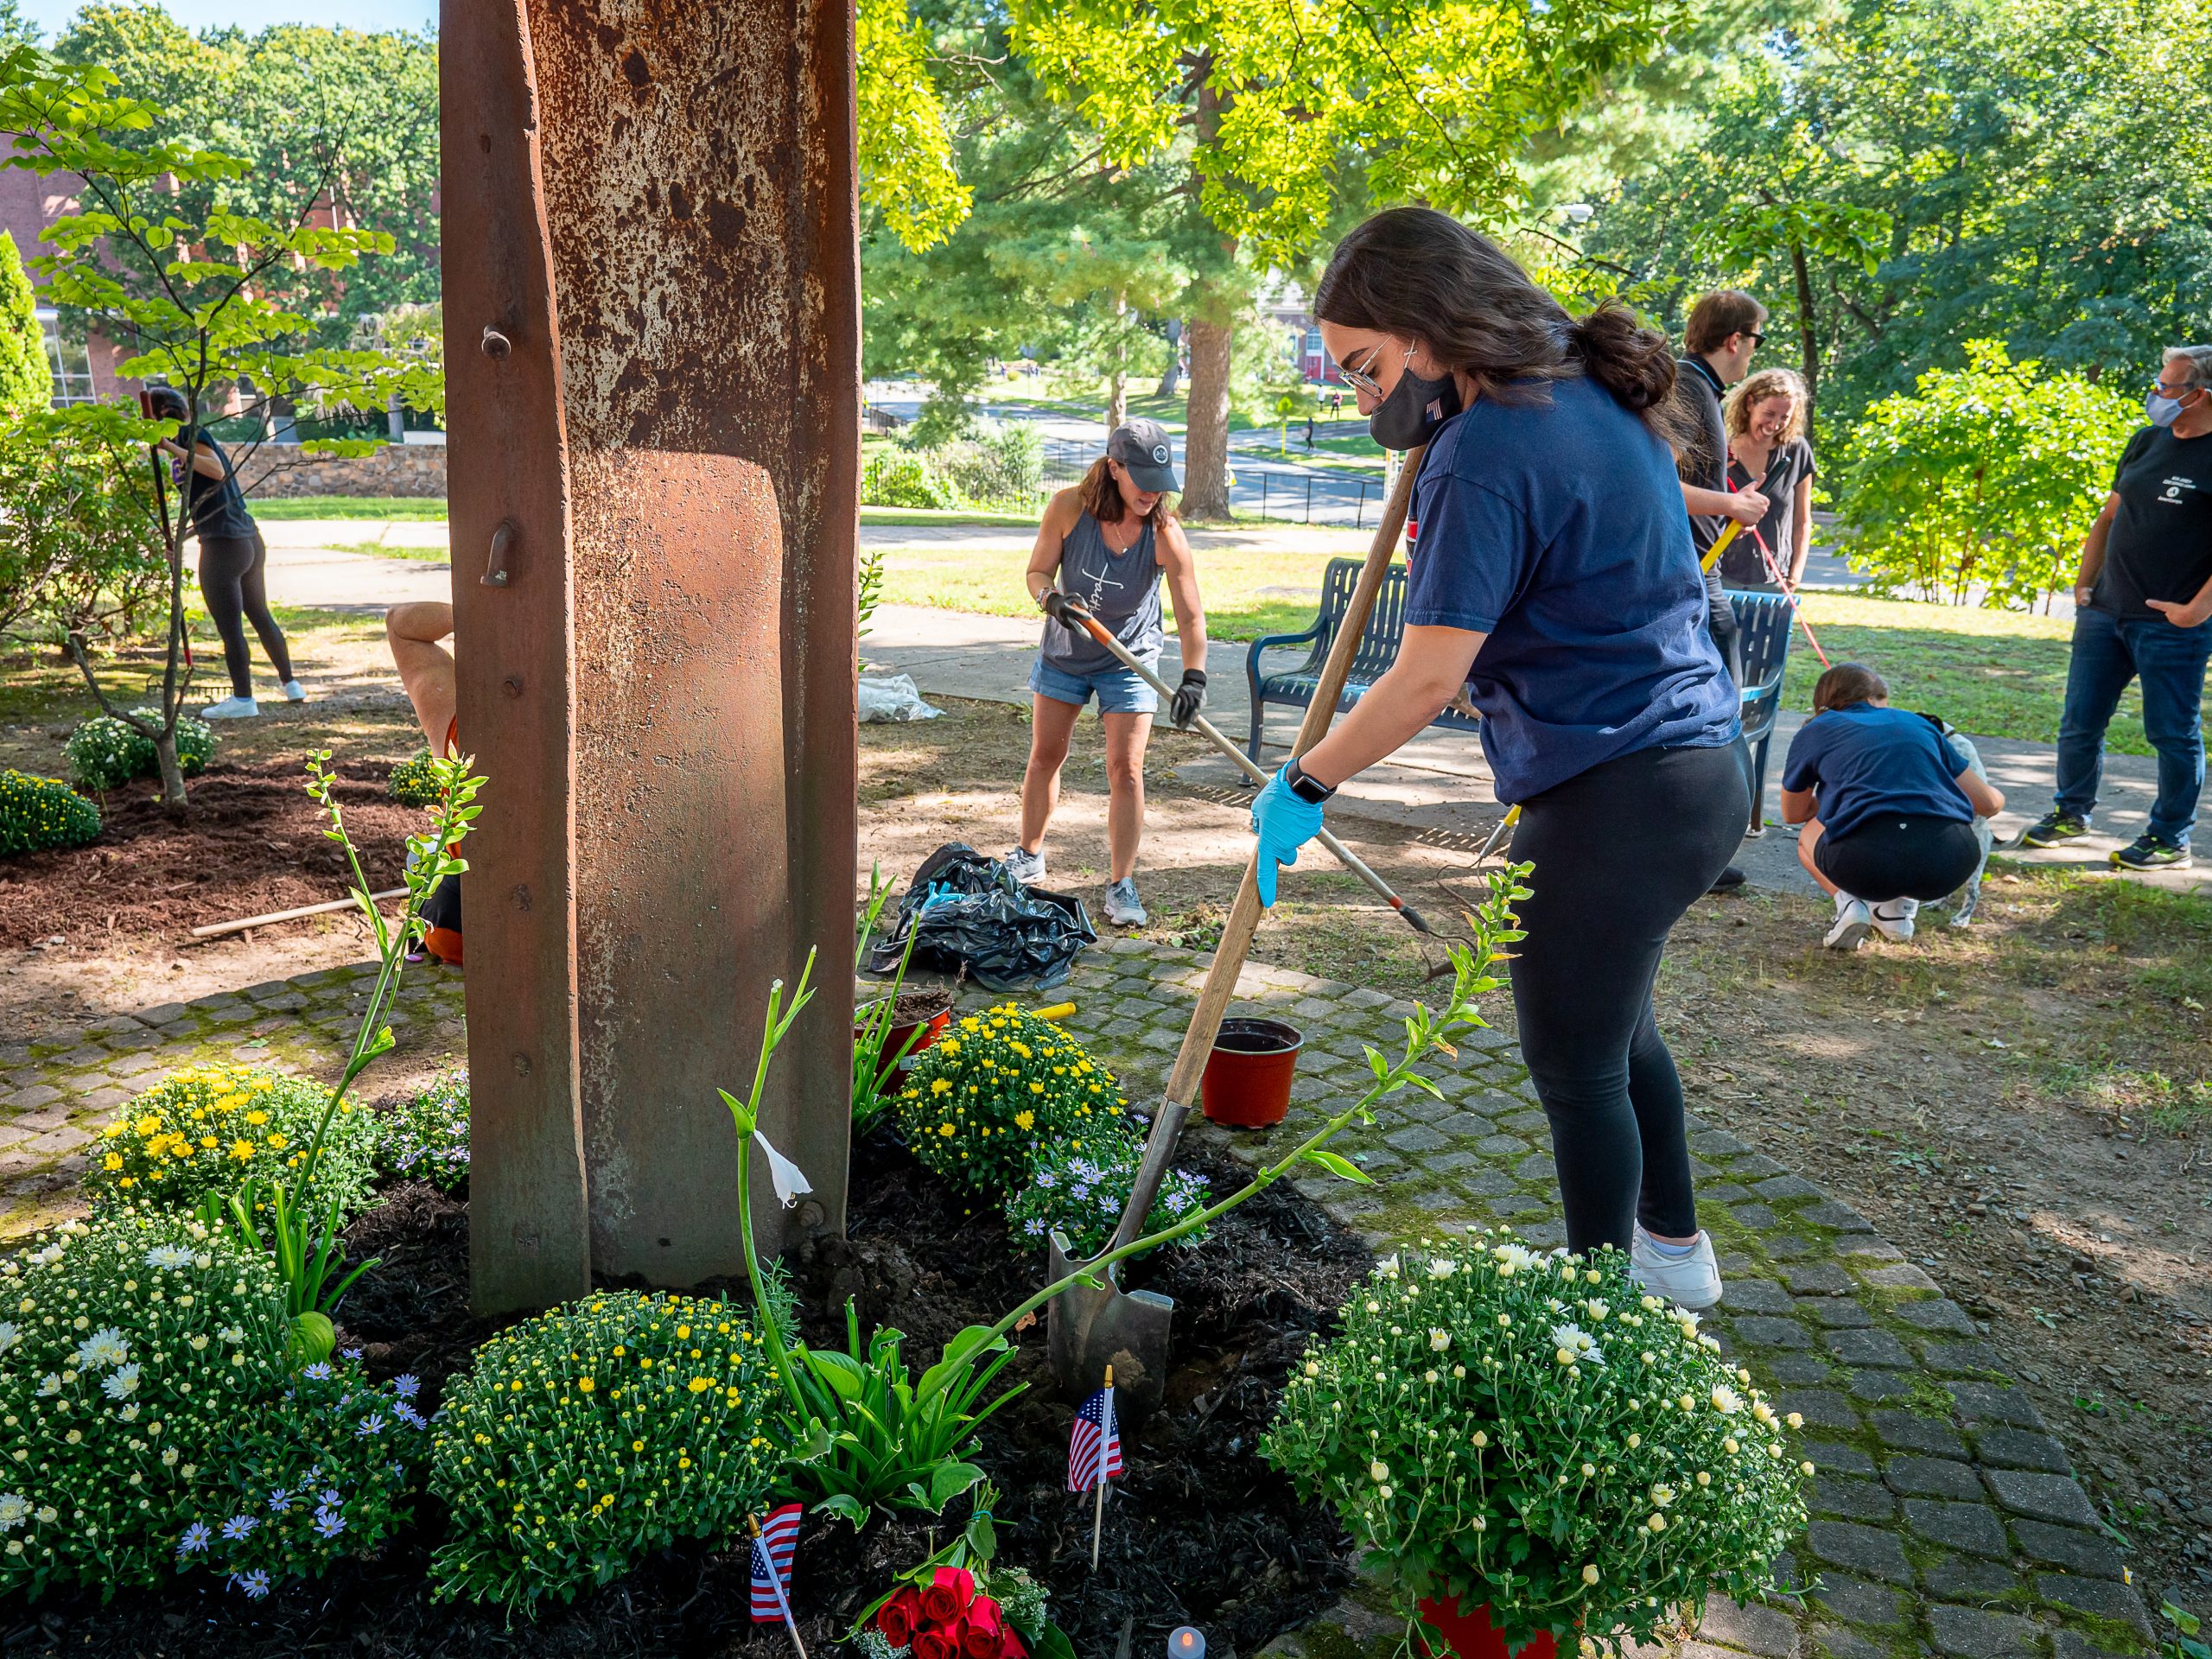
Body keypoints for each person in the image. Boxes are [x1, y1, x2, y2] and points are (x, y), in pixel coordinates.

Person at [1251, 207, 1746, 1307]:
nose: (1362, 394)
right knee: (1623, 1033)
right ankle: (1675, 1256)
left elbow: (1427, 677)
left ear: (1427, 331)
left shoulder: (1481, 449)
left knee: (1576, 1066)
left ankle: (1595, 1323)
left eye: (1367, 367)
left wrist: (1304, 782)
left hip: (1611, 792)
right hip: (1700, 771)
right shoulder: (1582, 392)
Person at [2018, 345, 2212, 870]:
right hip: (2106, 613)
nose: (2156, 394)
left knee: (2171, 732)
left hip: (2170, 626)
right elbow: (2109, 516)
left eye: (2167, 387)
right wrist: (2085, 587)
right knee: (2080, 721)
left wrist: (2194, 611)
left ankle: (2170, 838)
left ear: (2200, 396)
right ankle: (2071, 813)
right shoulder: (2147, 441)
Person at [1010, 418, 1208, 928]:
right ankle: (1029, 855)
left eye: (1159, 482)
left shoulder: (1165, 533)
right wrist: (1051, 600)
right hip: (1065, 653)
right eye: (1140, 477)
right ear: (1114, 467)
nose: (1151, 492)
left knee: (1126, 769)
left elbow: (1189, 615)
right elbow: (1036, 573)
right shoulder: (1068, 509)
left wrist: (1194, 677)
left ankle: (1121, 885)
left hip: (1131, 659)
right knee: (1047, 755)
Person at [1782, 663, 2005, 949]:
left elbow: (1794, 813)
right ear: (1875, 698)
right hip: (1949, 863)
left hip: (1864, 866)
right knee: (1911, 823)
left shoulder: (1816, 729)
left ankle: (1850, 907)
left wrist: (1837, 798)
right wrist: (1998, 795)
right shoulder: (1918, 724)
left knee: (1811, 834)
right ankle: (1894, 916)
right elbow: (1987, 804)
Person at [1674, 292, 1770, 891]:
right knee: (1714, 712)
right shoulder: (1686, 386)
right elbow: (1653, 478)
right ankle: (1695, 855)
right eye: (1757, 338)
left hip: (1694, 566)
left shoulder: (1696, 388)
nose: (1756, 353)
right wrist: (1731, 502)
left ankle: (1693, 853)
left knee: (1713, 706)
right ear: (1735, 339)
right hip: (1687, 567)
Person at [148, 386, 303, 720]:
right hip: (242, 537)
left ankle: (244, 700)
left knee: (231, 626)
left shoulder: (191, 435)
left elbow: (215, 470)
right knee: (259, 614)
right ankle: (291, 685)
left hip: (225, 546)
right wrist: (183, 537)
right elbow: (212, 502)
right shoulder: (187, 442)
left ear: (162, 415)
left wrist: (168, 445)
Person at [386, 601, 463, 966]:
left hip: (463, 934)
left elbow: (401, 624)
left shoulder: (456, 726)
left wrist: (484, 612)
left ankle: (422, 945)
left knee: (424, 852)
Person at [1719, 367, 1818, 591]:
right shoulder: (1723, 447)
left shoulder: (1797, 450)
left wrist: (1795, 575)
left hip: (1774, 578)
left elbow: (1802, 521)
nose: (1774, 425)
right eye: (1769, 414)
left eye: (1785, 417)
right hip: (1720, 575)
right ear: (1750, 403)